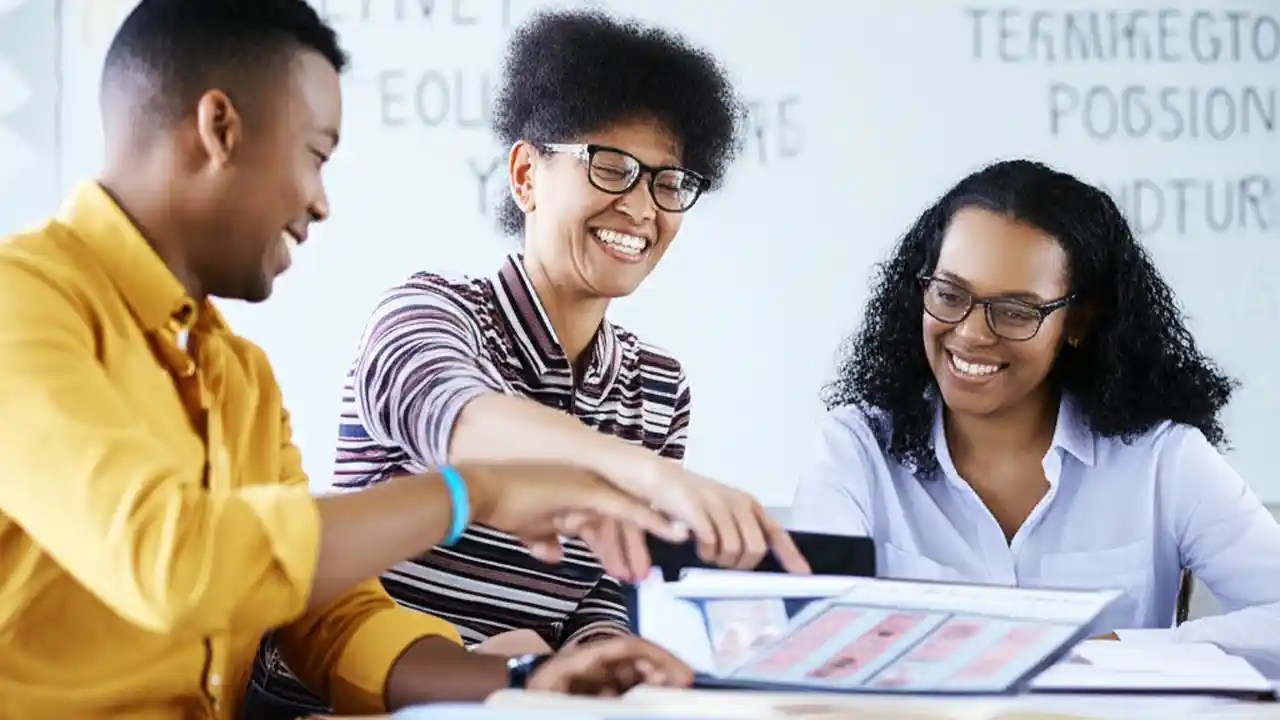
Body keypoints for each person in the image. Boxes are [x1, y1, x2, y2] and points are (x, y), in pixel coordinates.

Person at [0, 2, 717, 717]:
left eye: (665, 182)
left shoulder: (238, 377)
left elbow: (325, 614)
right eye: (315, 155)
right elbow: (175, 559)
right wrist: (475, 492)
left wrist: (528, 682)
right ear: (220, 129)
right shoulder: (20, 303)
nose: (320, 203)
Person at [250, 8, 808, 711]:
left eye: (669, 183)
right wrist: (639, 473)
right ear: (526, 175)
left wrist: (600, 667)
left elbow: (604, 592)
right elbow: (466, 424)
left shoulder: (659, 387)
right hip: (345, 699)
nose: (642, 207)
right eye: (612, 168)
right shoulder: (428, 313)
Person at [789, 159, 1280, 671]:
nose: (972, 333)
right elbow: (808, 634)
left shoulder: (1162, 459)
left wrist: (1109, 652)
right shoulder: (857, 449)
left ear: (1079, 322)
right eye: (950, 295)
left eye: (1016, 311)